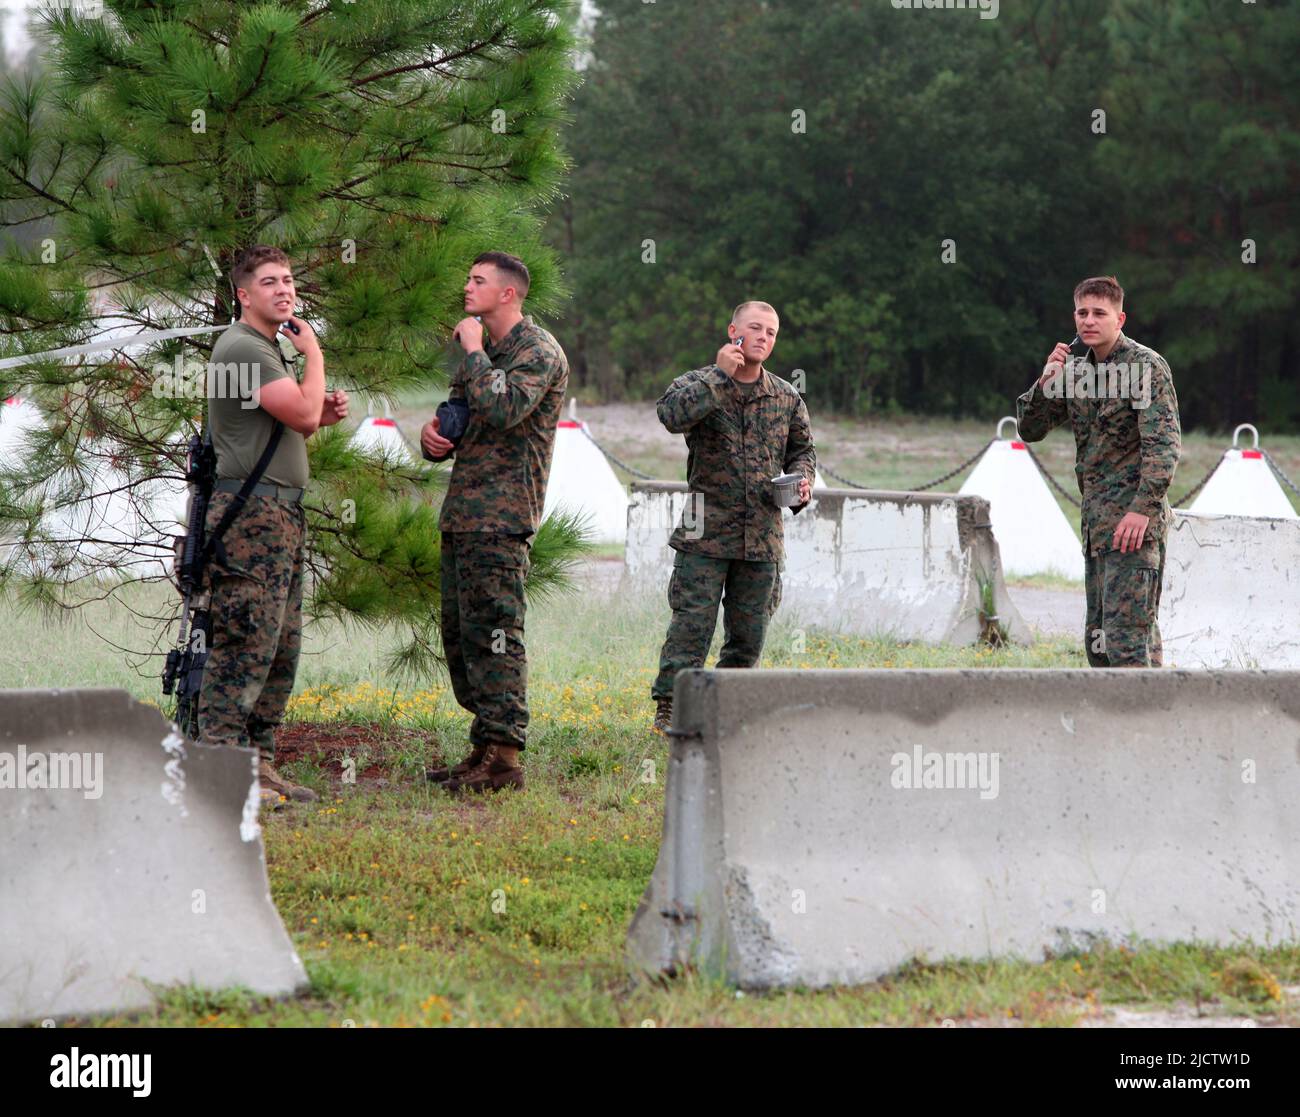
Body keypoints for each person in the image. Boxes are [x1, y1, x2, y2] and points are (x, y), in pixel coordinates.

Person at [198, 244, 349, 803]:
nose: (284, 289)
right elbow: (304, 413)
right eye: (269, 282)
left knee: (280, 645)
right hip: (251, 516)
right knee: (245, 644)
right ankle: (220, 771)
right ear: (243, 293)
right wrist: (314, 355)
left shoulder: (264, 348)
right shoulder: (243, 347)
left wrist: (318, 410)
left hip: (279, 511)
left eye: (288, 280)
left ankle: (258, 768)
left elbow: (302, 422)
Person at [421, 251, 569, 793]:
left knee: (499, 634)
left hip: (504, 517)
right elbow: (460, 417)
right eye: (468, 277)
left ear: (508, 294)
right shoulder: (479, 354)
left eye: (477, 280)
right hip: (463, 514)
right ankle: (483, 745)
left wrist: (476, 350)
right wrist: (433, 438)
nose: (467, 286)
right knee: (463, 635)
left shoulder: (538, 350)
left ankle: (505, 758)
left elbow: (505, 409)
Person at [650, 300, 817, 732]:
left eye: (772, 333)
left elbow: (803, 451)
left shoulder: (785, 396)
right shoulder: (698, 383)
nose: (764, 337)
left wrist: (802, 480)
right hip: (703, 525)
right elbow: (670, 415)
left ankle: (729, 710)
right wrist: (718, 376)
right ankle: (672, 706)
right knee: (691, 624)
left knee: (749, 632)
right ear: (733, 331)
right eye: (756, 328)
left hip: (762, 531)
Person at [1016, 275, 1180, 667]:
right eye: (1082, 312)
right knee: (1100, 645)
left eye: (1099, 313)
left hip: (1133, 525)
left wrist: (1142, 509)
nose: (1088, 321)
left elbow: (1164, 446)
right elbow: (1030, 429)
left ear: (1120, 318)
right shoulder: (1074, 370)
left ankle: (1140, 725)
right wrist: (1045, 381)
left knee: (1129, 646)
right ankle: (1114, 727)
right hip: (1096, 525)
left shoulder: (1145, 366)